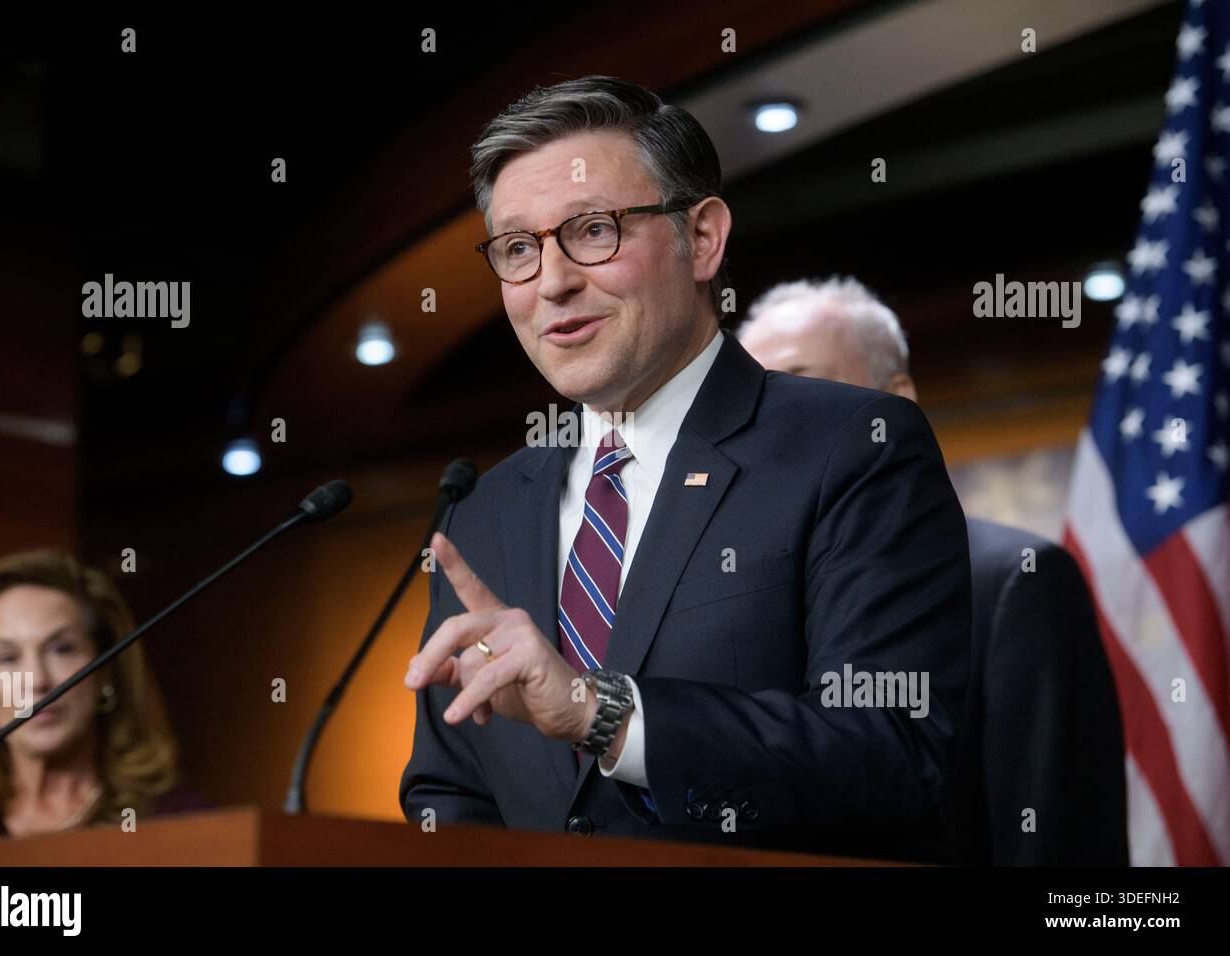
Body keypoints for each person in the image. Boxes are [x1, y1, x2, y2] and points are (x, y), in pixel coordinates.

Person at [399, 76, 971, 863]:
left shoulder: (853, 445)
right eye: (519, 249)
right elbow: (449, 789)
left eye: (593, 230)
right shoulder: (482, 510)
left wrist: (602, 715)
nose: (553, 282)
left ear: (702, 239)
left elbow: (893, 753)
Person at [738, 276, 1128, 865]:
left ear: (898, 397)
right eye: (757, 400)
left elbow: (1056, 840)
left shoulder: (1014, 581)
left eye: (801, 382)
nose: (776, 421)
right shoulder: (734, 596)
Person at [0, 550, 209, 843]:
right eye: (8, 658)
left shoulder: (174, 821)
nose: (37, 681)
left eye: (61, 649)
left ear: (106, 673)